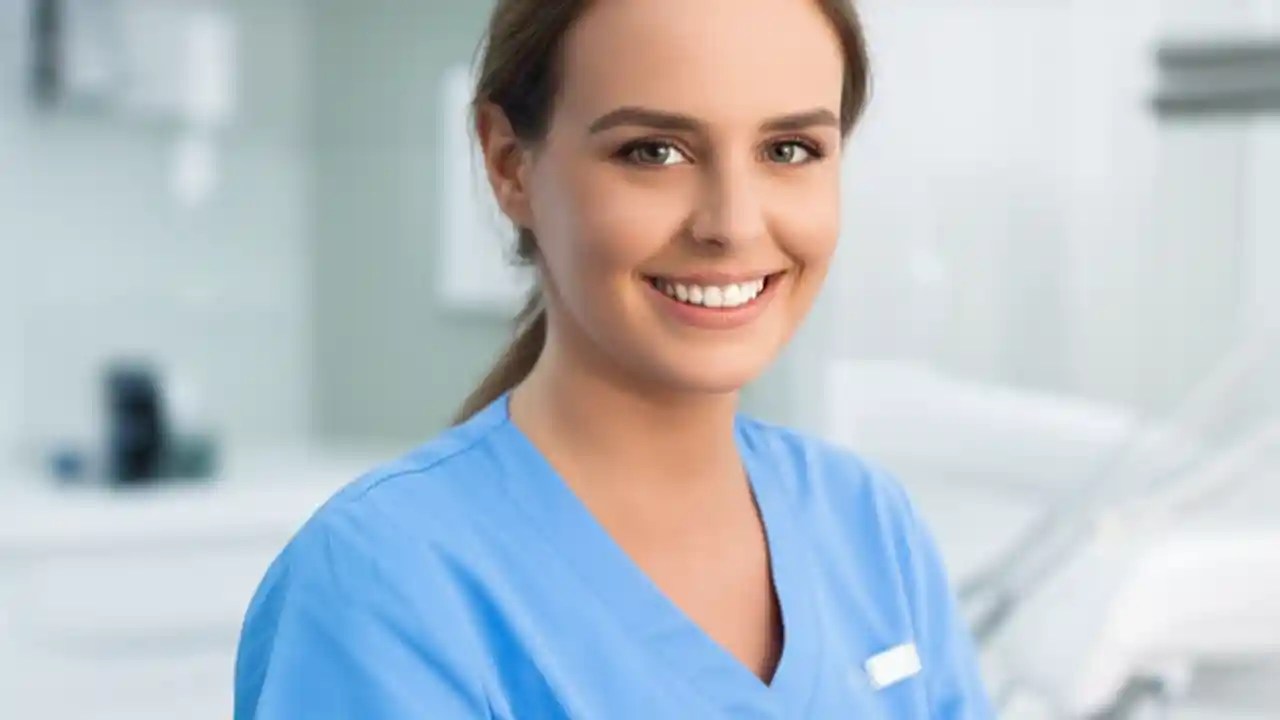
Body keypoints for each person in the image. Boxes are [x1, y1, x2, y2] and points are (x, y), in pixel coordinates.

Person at [234, 0, 994, 717]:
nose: (731, 222)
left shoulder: (867, 526)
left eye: (788, 149)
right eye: (654, 151)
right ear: (510, 165)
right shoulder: (384, 584)